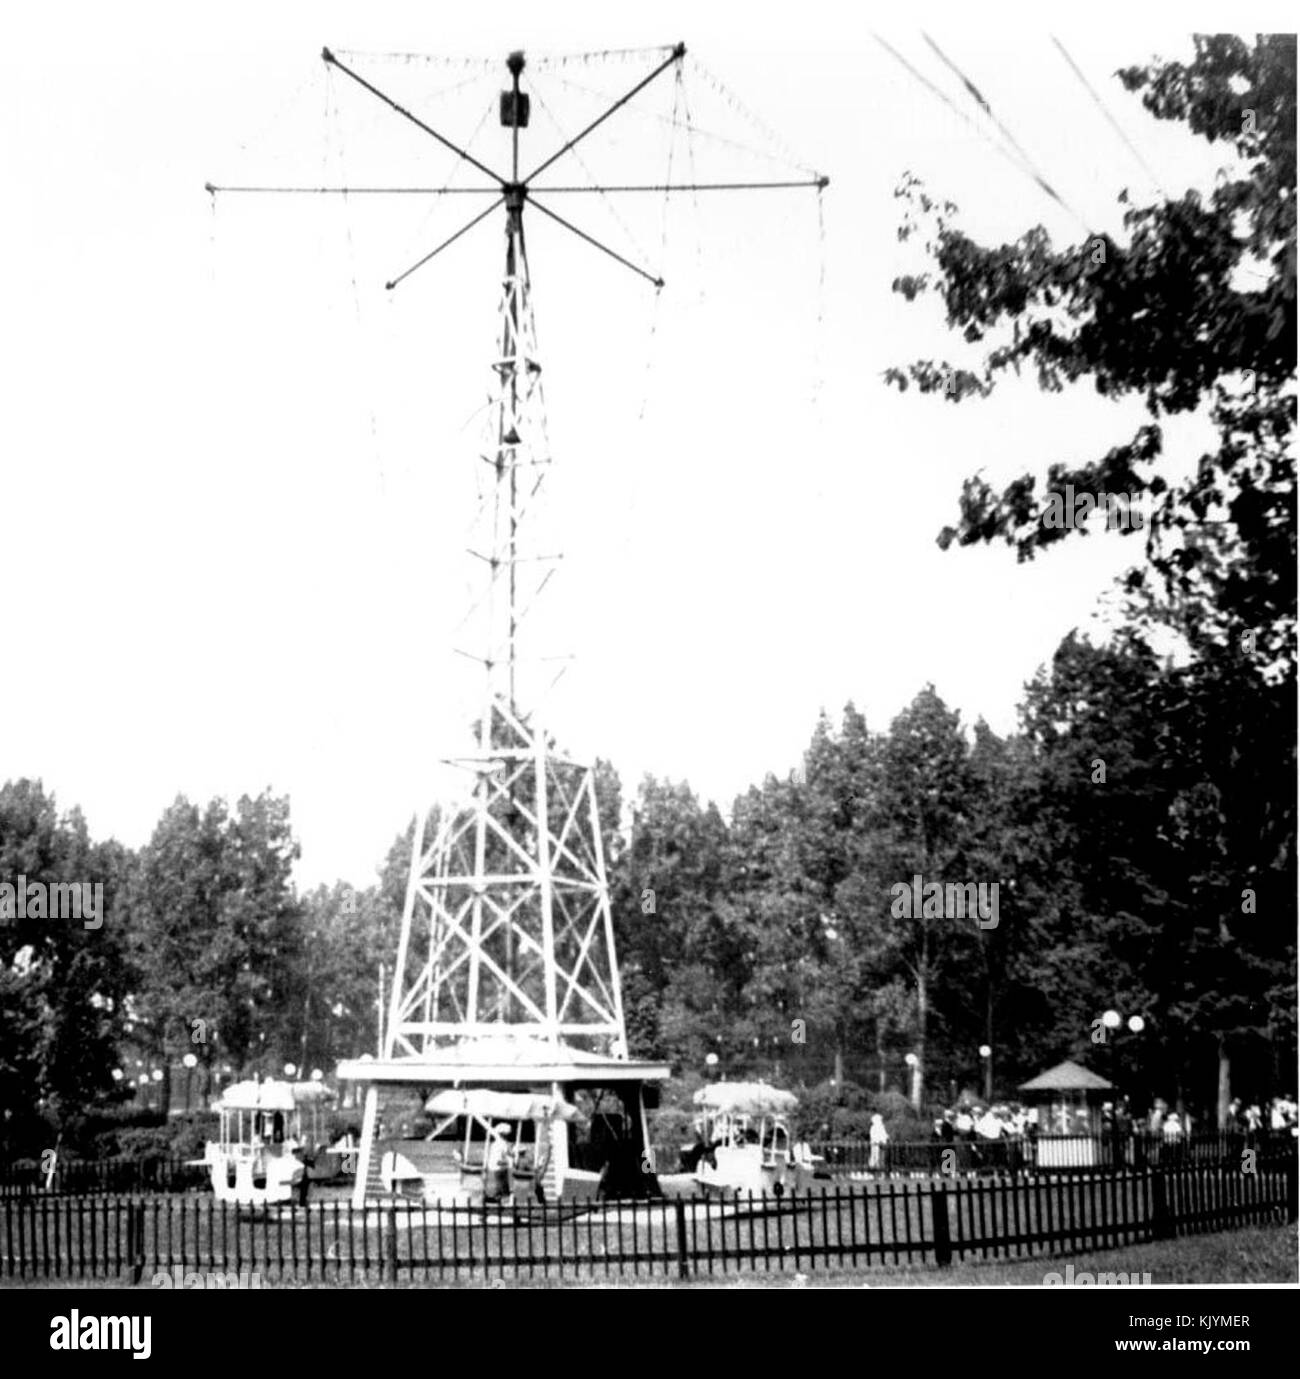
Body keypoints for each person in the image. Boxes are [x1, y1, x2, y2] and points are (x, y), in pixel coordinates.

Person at [485, 1122, 514, 1202]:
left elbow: (507, 1153)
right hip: (499, 1167)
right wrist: (510, 1160)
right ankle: (501, 1196)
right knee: (502, 1184)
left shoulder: (498, 1144)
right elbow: (502, 1157)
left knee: (501, 1184)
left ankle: (498, 1195)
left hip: (498, 1166)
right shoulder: (501, 1144)